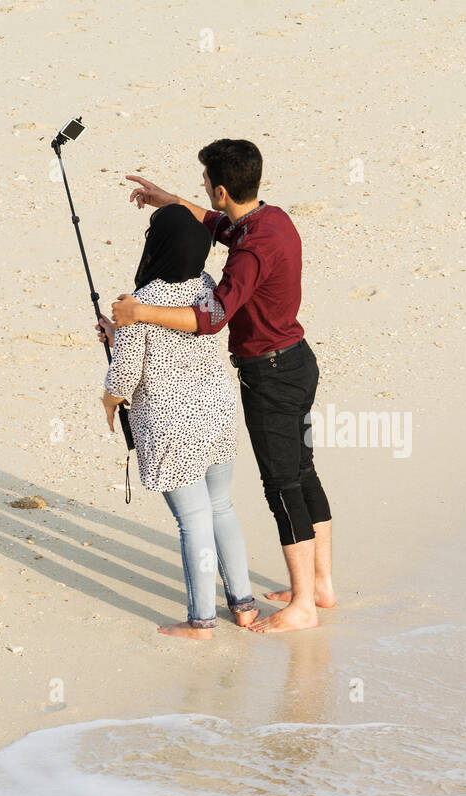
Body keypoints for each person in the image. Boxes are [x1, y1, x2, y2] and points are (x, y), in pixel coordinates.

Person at [110, 139, 334, 635]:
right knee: (303, 471)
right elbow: (218, 224)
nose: (204, 192)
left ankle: (302, 606)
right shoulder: (269, 220)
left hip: (271, 373)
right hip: (297, 360)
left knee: (283, 485)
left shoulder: (250, 250)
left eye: (205, 184)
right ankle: (320, 584)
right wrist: (170, 200)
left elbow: (212, 319)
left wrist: (136, 313)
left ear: (222, 187)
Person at [98, 202, 259, 639]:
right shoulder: (206, 285)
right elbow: (183, 336)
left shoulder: (138, 304)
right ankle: (244, 605)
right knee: (221, 507)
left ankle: (201, 620)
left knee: (193, 520)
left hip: (174, 426)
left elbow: (127, 374)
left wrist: (108, 400)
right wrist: (117, 335)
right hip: (218, 413)